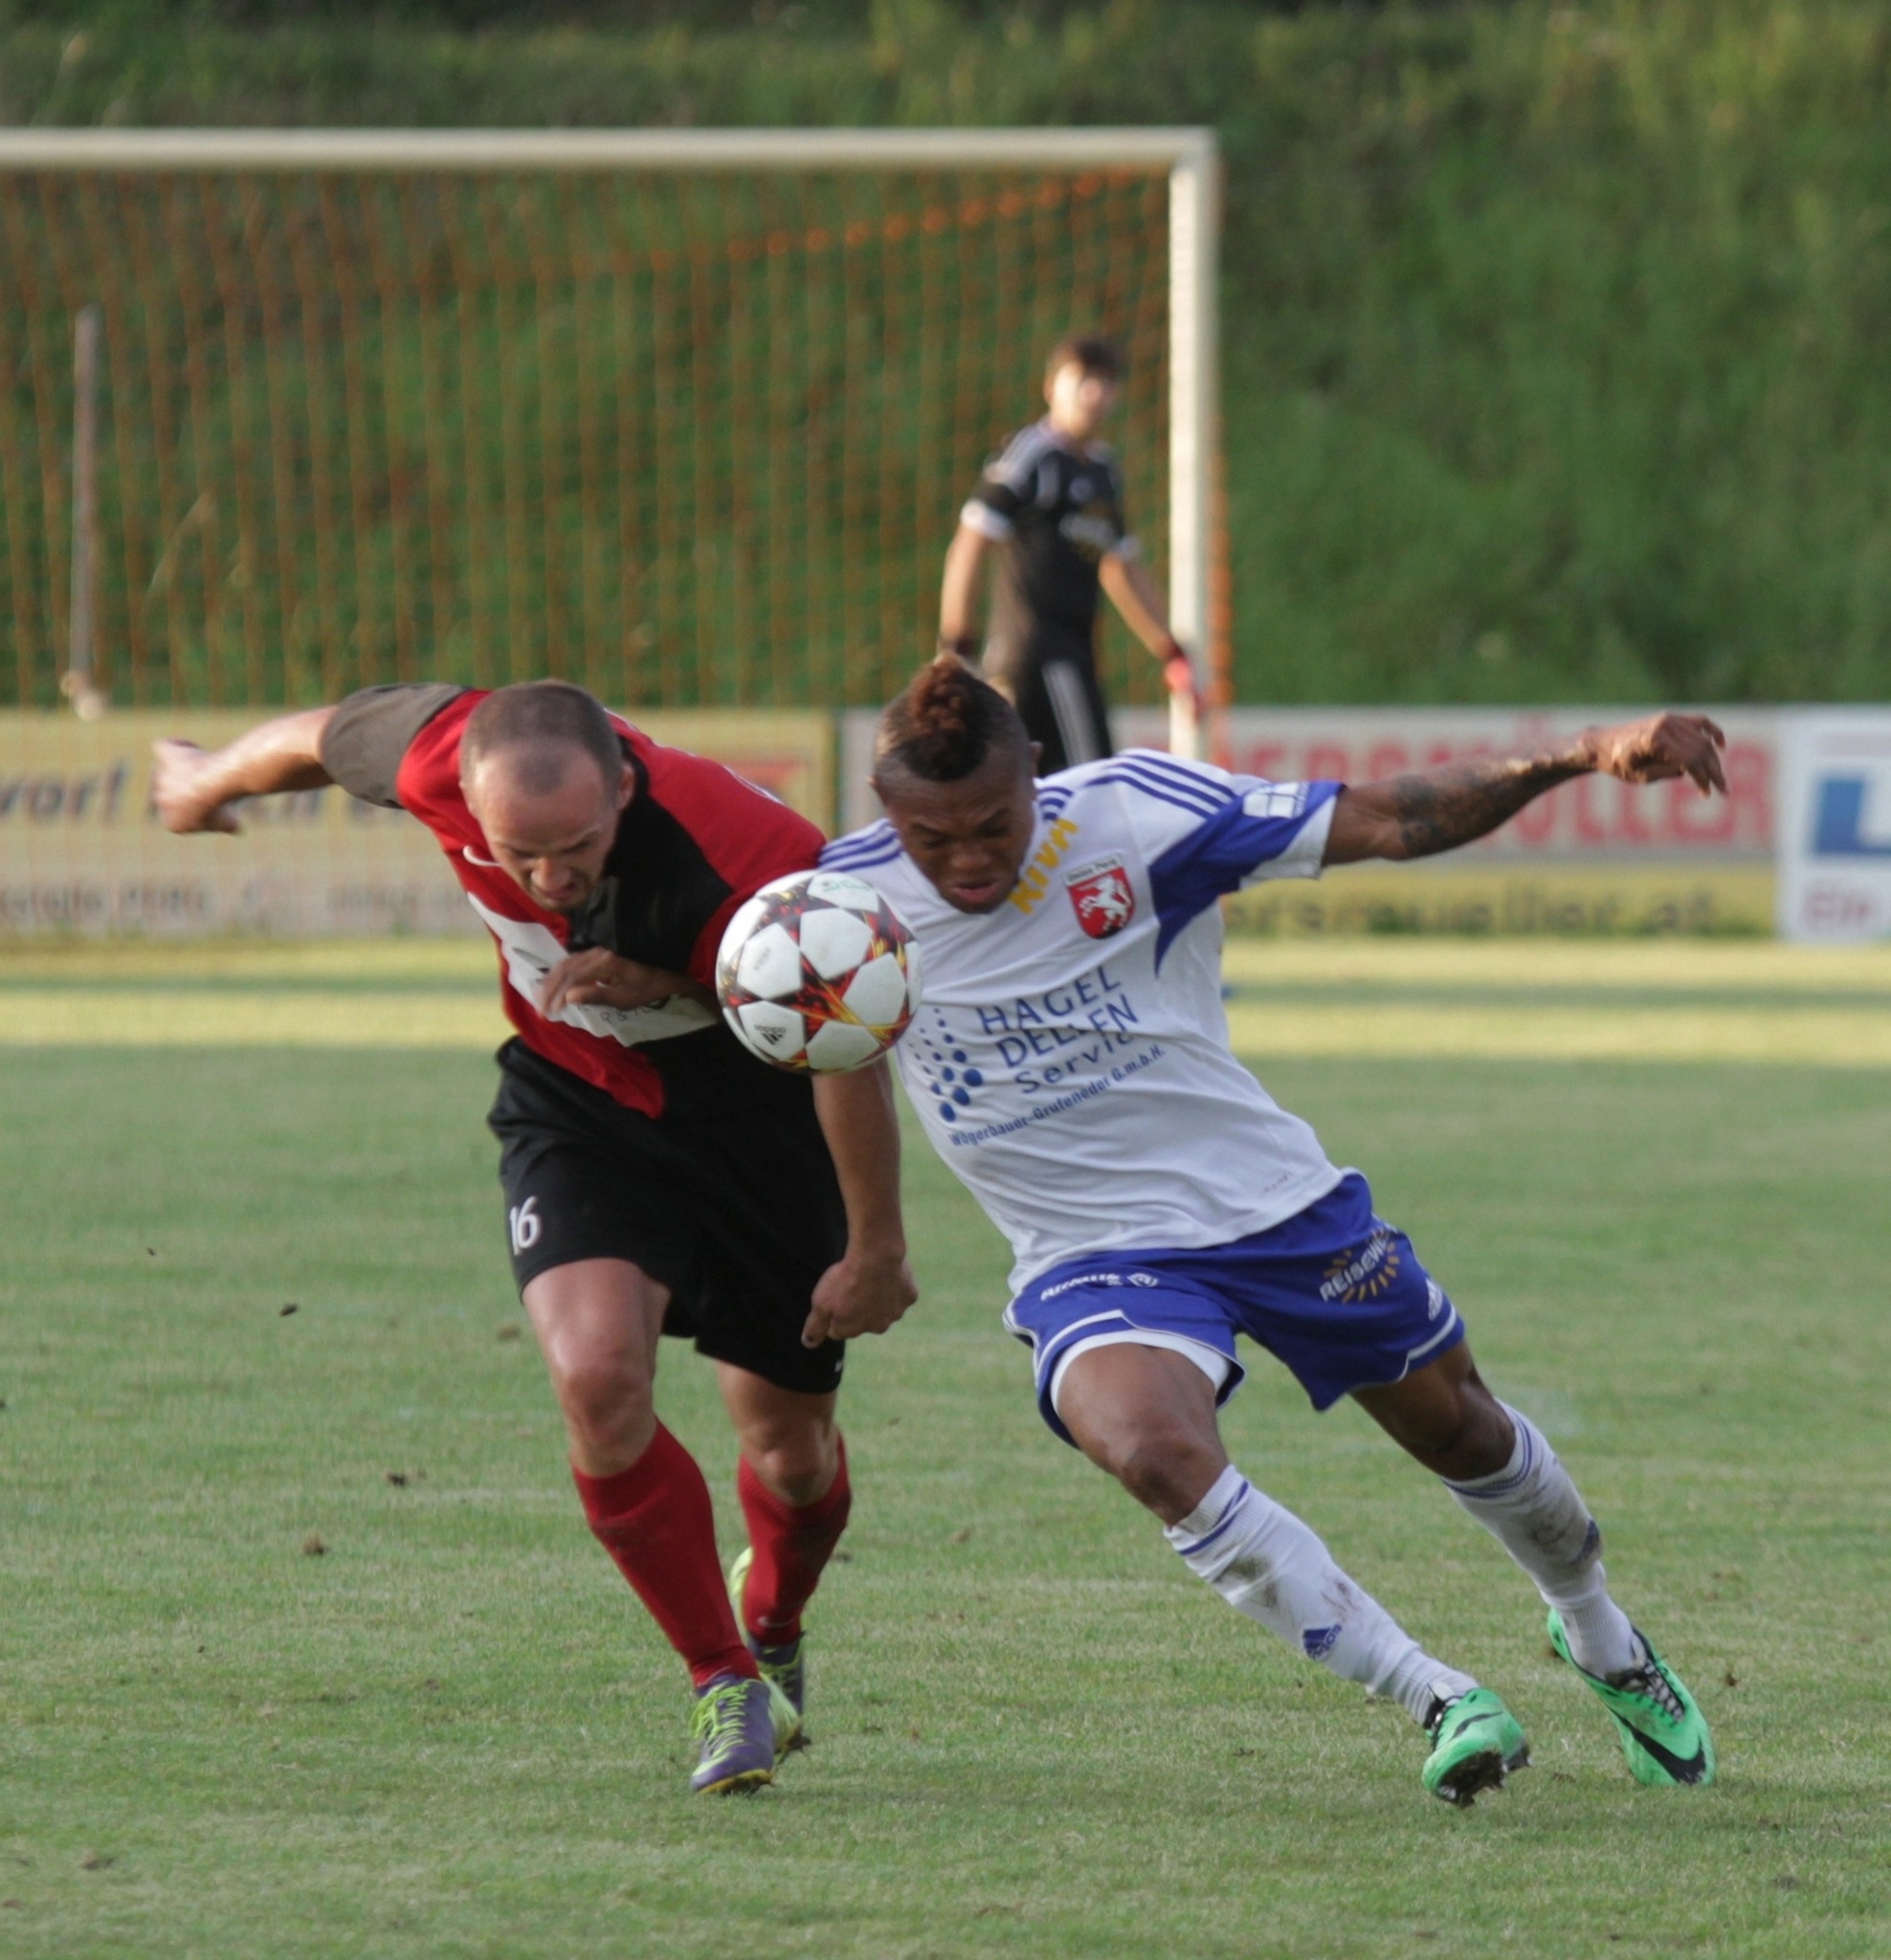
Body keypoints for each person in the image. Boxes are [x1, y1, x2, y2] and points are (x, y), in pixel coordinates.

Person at [822, 656, 1723, 1805]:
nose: (962, 861)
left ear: (1033, 775)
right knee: (1148, 1448)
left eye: (989, 825)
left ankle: (1599, 1634)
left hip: (1270, 1208)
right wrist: (873, 1242)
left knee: (1462, 1432)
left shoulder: (1136, 816)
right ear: (882, 810)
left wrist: (1577, 752)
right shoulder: (841, 908)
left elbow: (1389, 818)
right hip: (1088, 1253)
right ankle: (1436, 1694)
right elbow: (833, 1048)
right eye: (926, 837)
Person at [152, 680, 915, 1796]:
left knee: (789, 1453)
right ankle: (723, 1677)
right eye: (520, 853)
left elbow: (843, 1043)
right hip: (582, 1109)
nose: (551, 879)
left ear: (622, 785)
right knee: (598, 1376)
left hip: (761, 1128)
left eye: (578, 845)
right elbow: (318, 739)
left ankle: (774, 1618)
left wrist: (876, 1246)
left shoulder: (752, 857)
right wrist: (210, 777)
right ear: (458, 796)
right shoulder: (432, 759)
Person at [938, 333, 1197, 774]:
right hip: (1037, 656)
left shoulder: (1102, 470)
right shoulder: (1033, 457)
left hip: (1073, 658)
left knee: (1039, 797)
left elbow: (1121, 568)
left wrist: (1172, 654)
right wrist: (956, 646)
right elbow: (971, 539)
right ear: (1051, 387)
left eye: (1106, 383)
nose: (1094, 394)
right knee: (1092, 787)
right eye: (1082, 381)